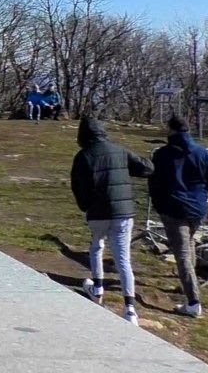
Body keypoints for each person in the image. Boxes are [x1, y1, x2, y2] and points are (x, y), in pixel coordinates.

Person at [70, 115, 154, 326]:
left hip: (98, 212)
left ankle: (97, 288)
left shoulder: (83, 156)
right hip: (123, 212)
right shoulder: (120, 151)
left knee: (96, 246)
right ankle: (130, 309)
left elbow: (77, 186)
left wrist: (85, 206)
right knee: (123, 258)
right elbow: (147, 168)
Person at [148, 115, 208, 318]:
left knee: (182, 254)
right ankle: (189, 287)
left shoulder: (162, 154)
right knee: (188, 244)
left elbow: (154, 183)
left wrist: (158, 204)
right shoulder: (202, 153)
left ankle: (193, 302)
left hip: (173, 209)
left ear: (171, 130)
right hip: (197, 208)